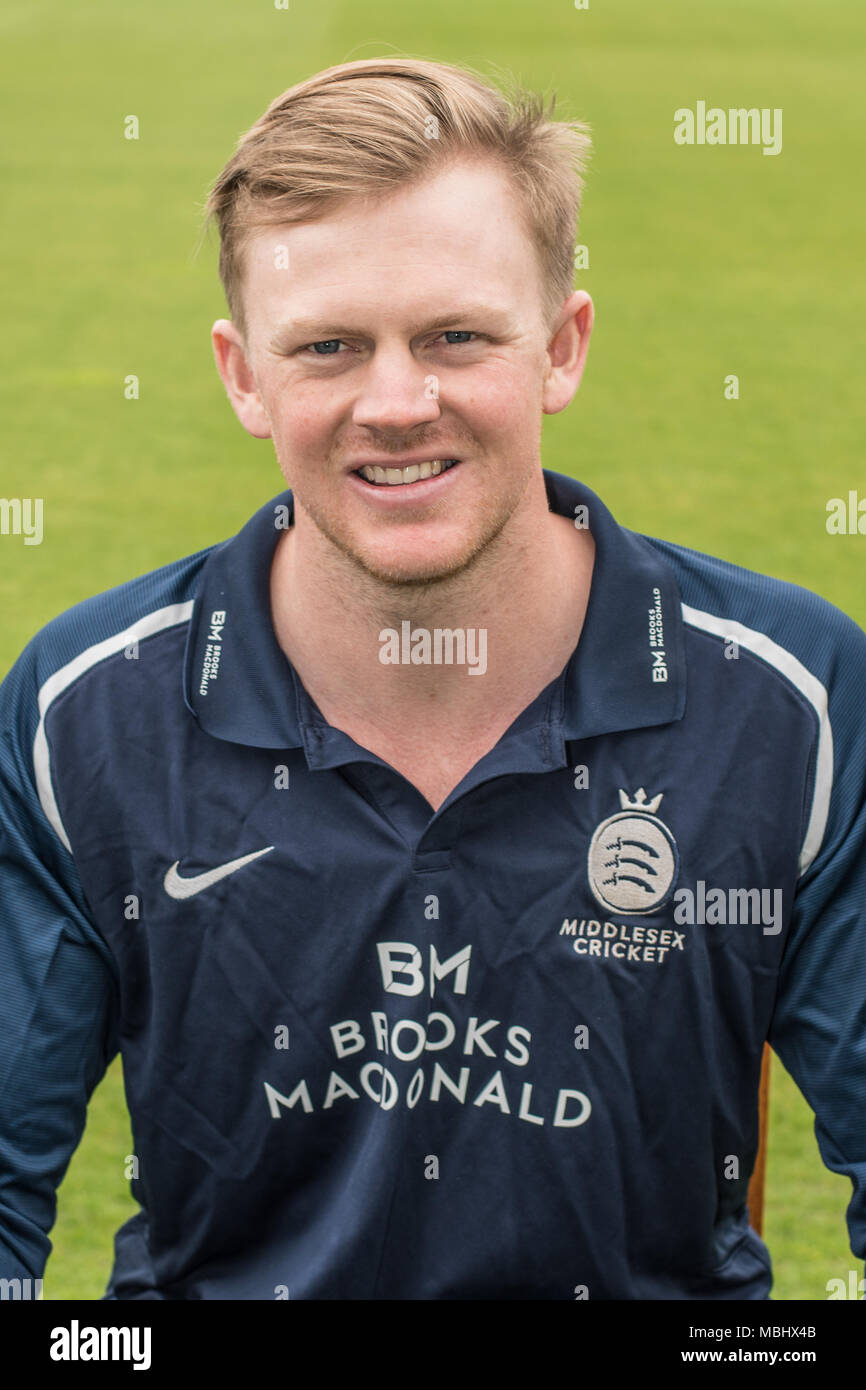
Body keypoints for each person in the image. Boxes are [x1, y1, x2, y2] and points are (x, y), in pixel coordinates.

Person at [1, 55, 864, 1302]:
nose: (395, 403)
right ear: (244, 374)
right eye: (329, 347)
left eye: (455, 335)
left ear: (561, 348)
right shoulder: (77, 714)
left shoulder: (799, 702)